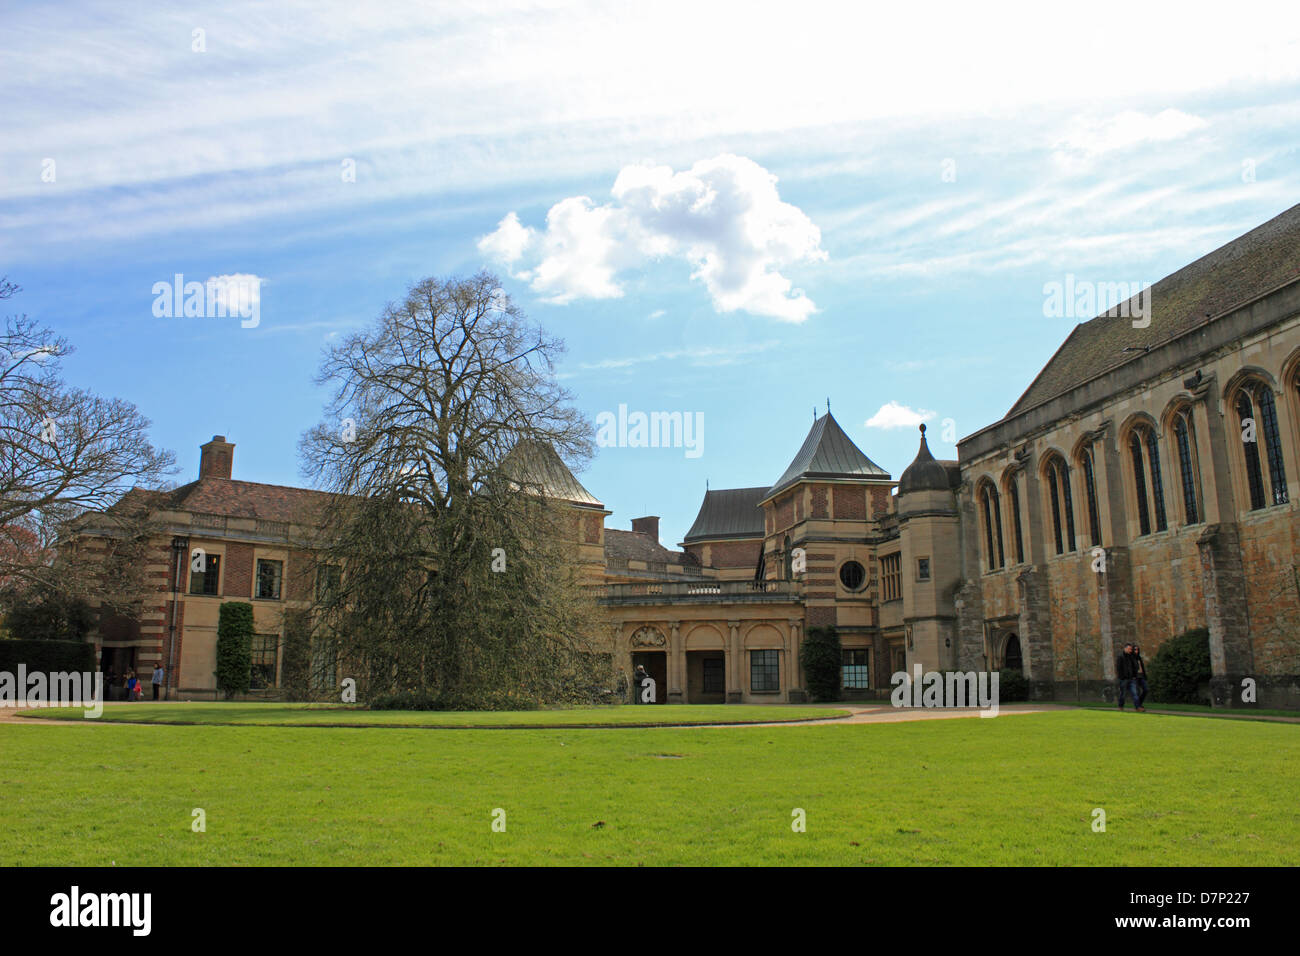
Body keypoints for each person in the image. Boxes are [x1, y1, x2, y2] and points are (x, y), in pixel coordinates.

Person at [1115, 643, 1143, 711]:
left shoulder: (1131, 657)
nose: (1130, 650)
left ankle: (1137, 707)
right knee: (1123, 694)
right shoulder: (1120, 656)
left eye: (1131, 649)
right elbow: (1118, 668)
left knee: (1135, 693)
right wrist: (1122, 677)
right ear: (1125, 648)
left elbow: (1135, 666)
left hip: (1131, 678)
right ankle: (1120, 706)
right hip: (1124, 679)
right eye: (1129, 649)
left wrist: (1134, 675)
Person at [1133, 644, 1149, 709]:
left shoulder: (1139, 658)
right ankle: (1138, 706)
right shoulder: (1131, 658)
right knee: (1136, 692)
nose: (1136, 651)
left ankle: (1139, 703)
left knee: (1146, 689)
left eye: (1137, 650)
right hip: (1135, 677)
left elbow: (1142, 667)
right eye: (1135, 649)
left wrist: (1145, 675)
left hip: (1141, 676)